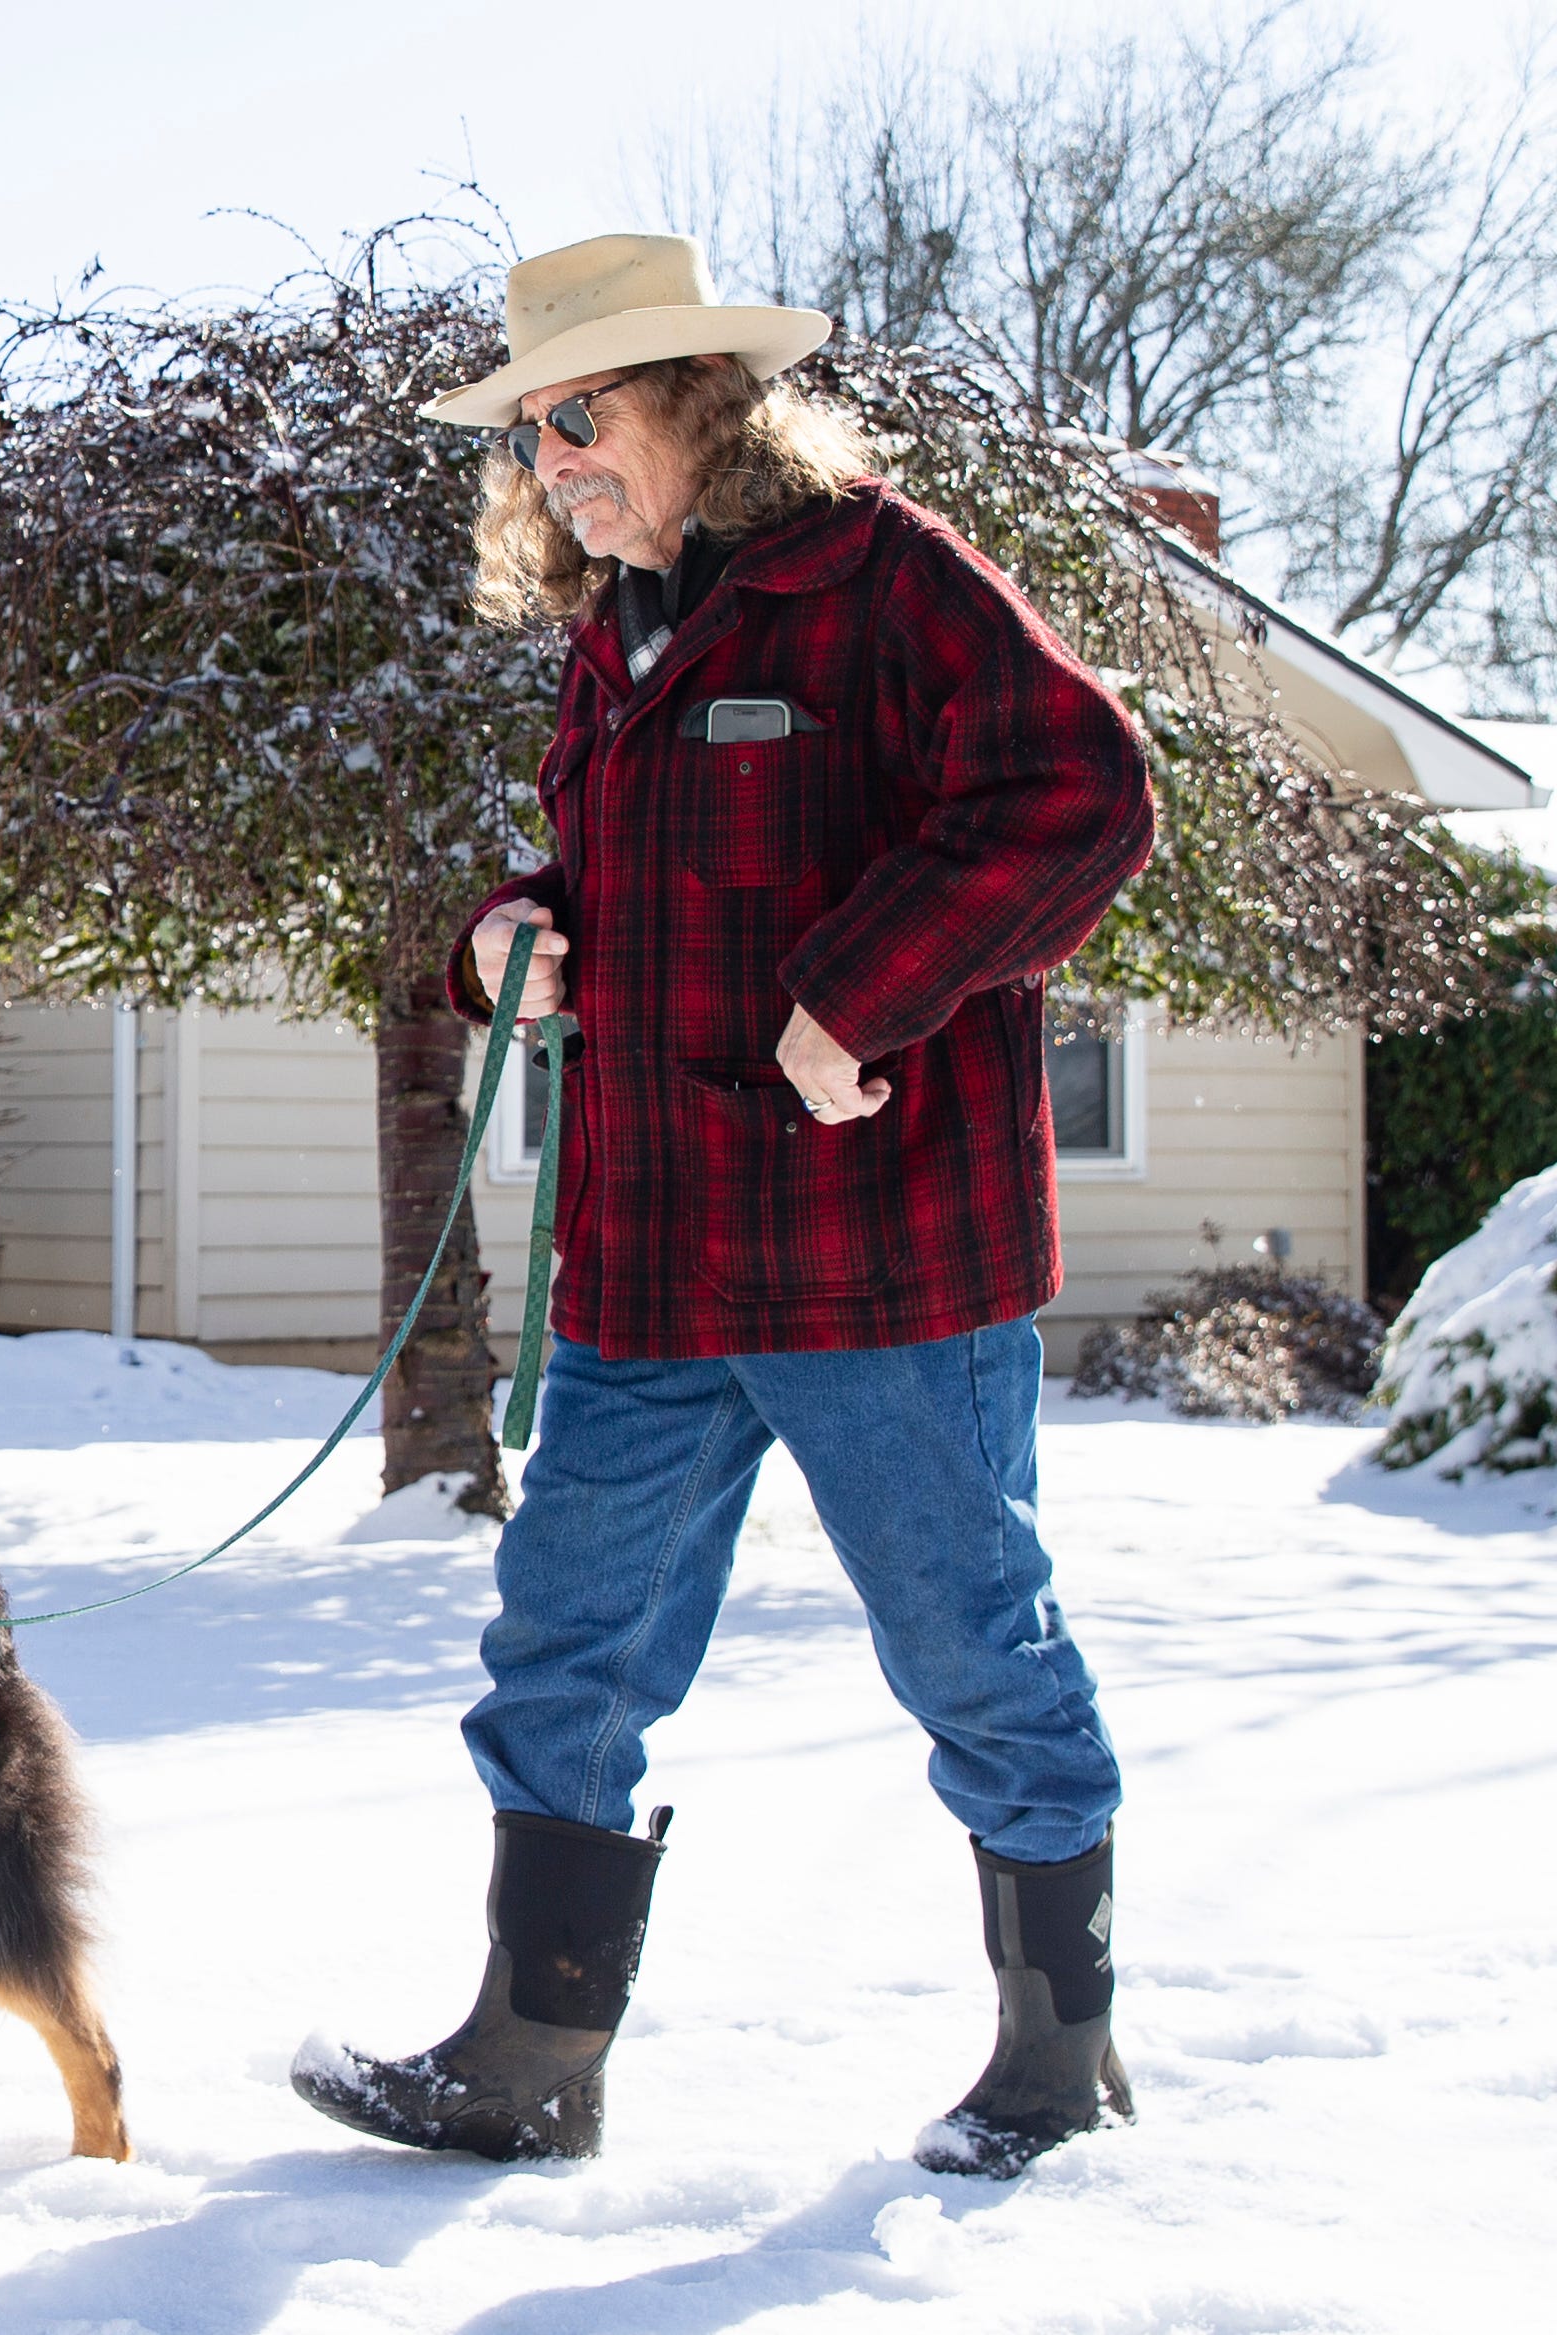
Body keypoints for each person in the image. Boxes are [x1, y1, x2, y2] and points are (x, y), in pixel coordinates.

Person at [290, 234, 1156, 2178]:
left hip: (878, 1267)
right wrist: (519, 928)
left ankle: (1054, 2054)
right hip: (653, 1260)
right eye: (527, 428)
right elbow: (640, 886)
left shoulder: (882, 582)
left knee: (969, 1644)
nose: (549, 456)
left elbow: (1079, 791)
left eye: (576, 413)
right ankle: (526, 2059)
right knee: (560, 1650)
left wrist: (860, 996)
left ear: (697, 397)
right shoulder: (620, 635)